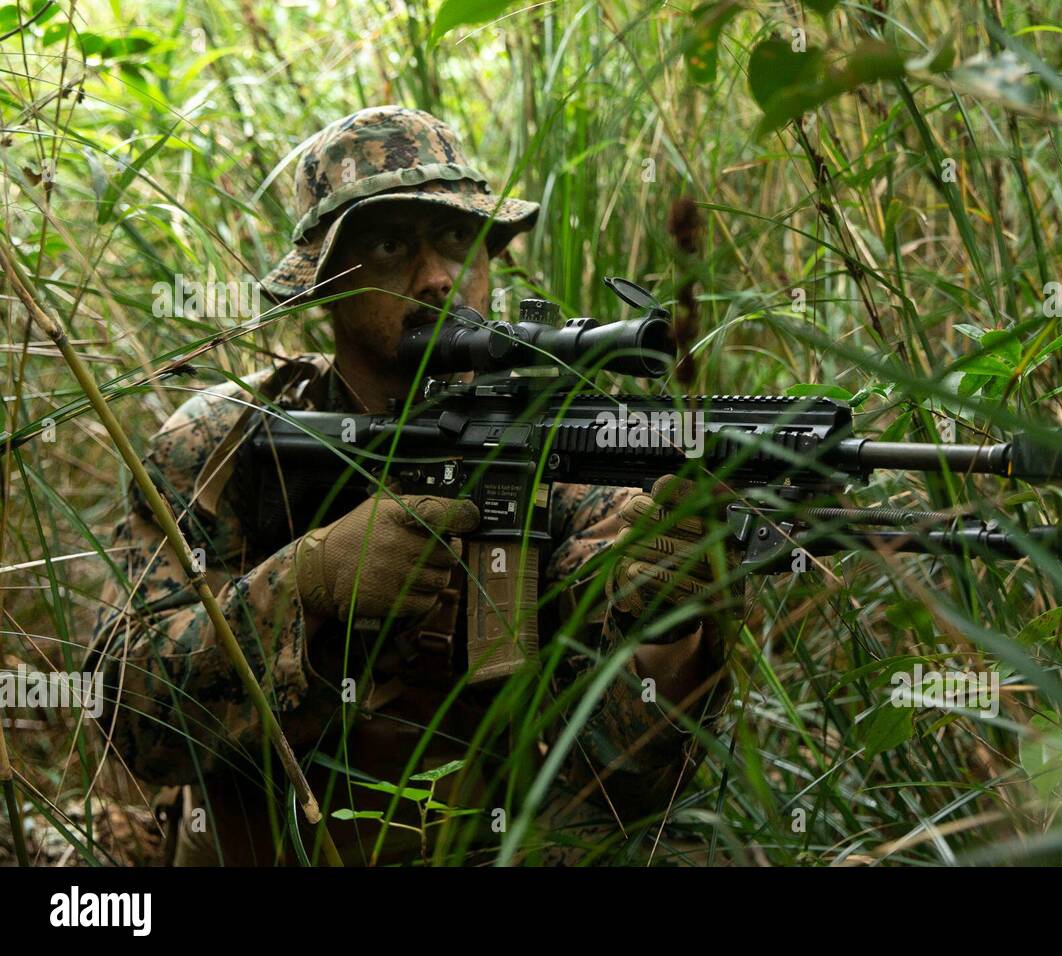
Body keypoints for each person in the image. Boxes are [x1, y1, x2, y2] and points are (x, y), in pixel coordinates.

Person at [90, 106, 736, 865]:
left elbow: (632, 782)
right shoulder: (229, 441)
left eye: (459, 241)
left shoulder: (569, 453)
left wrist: (677, 630)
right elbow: (124, 715)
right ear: (322, 282)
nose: (437, 277)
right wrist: (311, 579)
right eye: (392, 245)